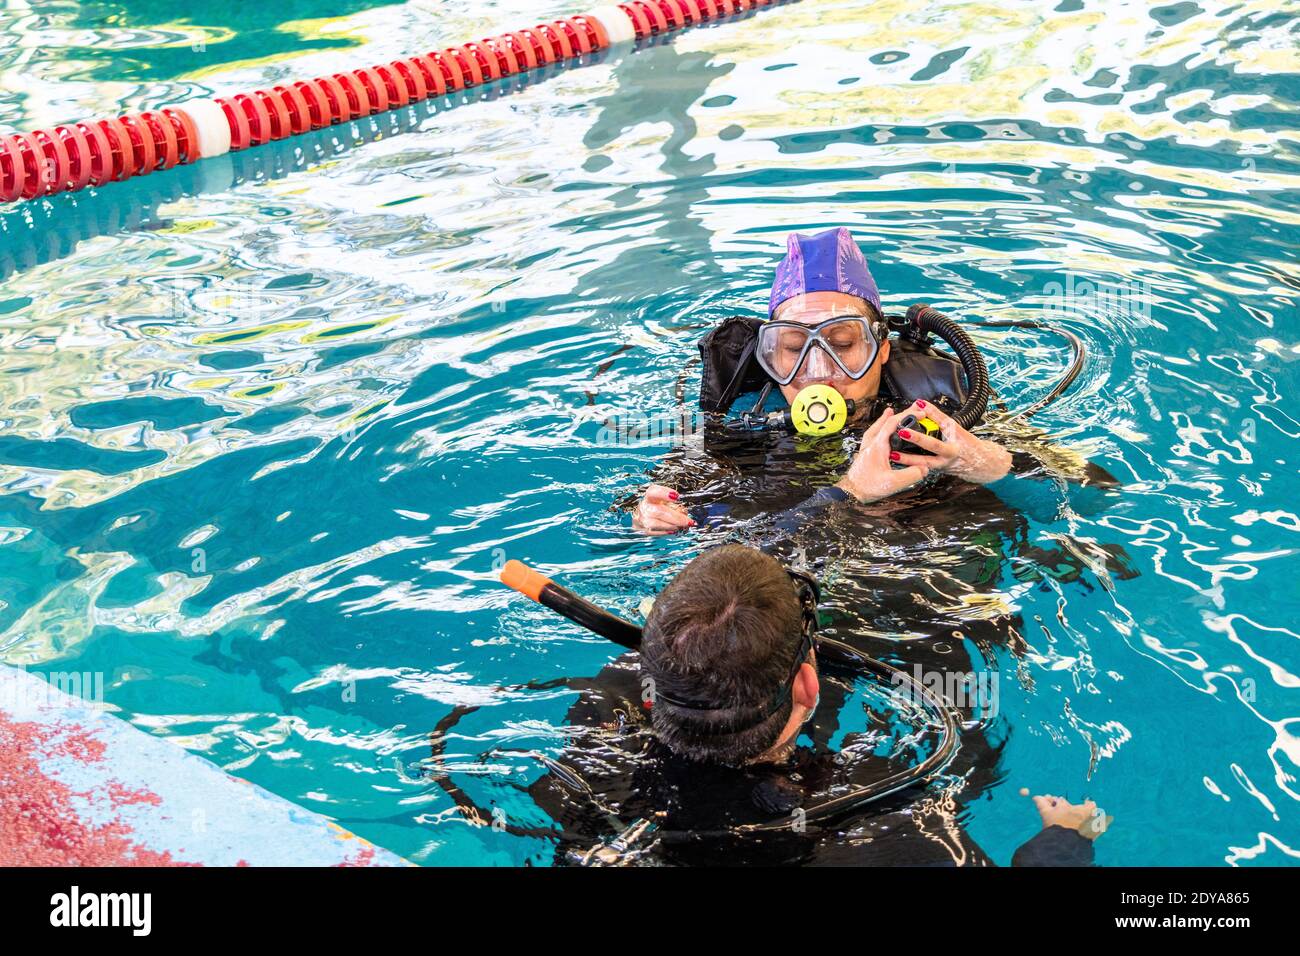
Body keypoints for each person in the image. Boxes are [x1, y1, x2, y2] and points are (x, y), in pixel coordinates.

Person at [521, 544, 1106, 866]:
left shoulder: (593, 740)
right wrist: (1064, 840)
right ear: (807, 684)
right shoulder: (901, 835)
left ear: (652, 695)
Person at [632, 226, 1019, 534]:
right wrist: (651, 514)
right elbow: (668, 510)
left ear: (882, 349)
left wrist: (983, 462)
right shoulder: (740, 418)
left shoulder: (945, 404)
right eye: (793, 347)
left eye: (843, 343)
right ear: (768, 356)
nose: (817, 370)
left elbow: (1072, 489)